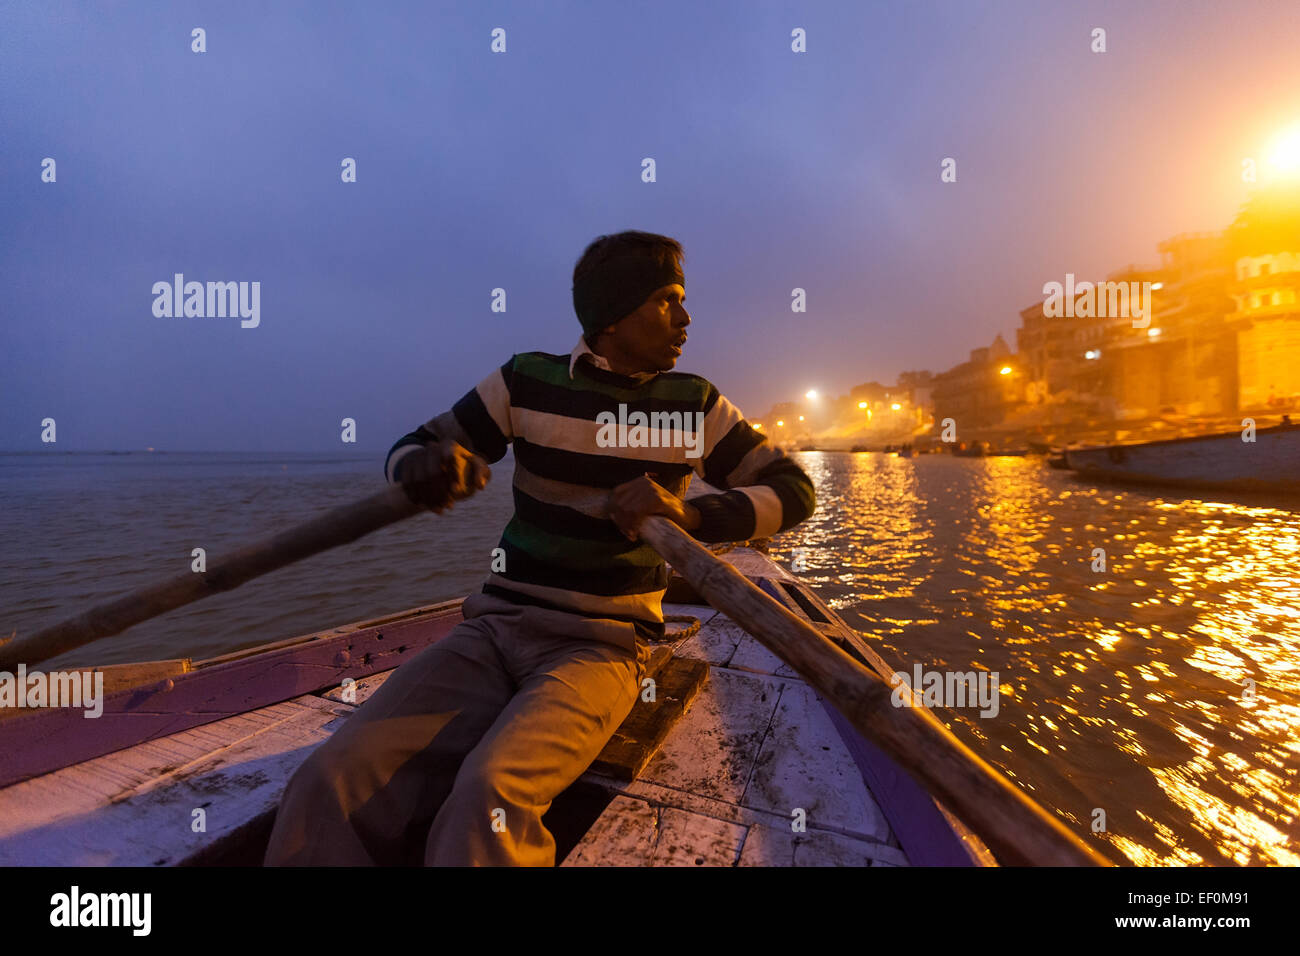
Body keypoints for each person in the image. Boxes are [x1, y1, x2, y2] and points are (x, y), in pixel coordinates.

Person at [263, 230, 816, 866]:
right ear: (613, 315)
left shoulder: (691, 404)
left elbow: (793, 489)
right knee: (329, 778)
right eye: (668, 300)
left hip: (601, 645)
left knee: (489, 795)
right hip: (493, 630)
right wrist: (428, 467)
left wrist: (687, 513)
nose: (687, 317)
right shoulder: (526, 382)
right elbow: (411, 448)